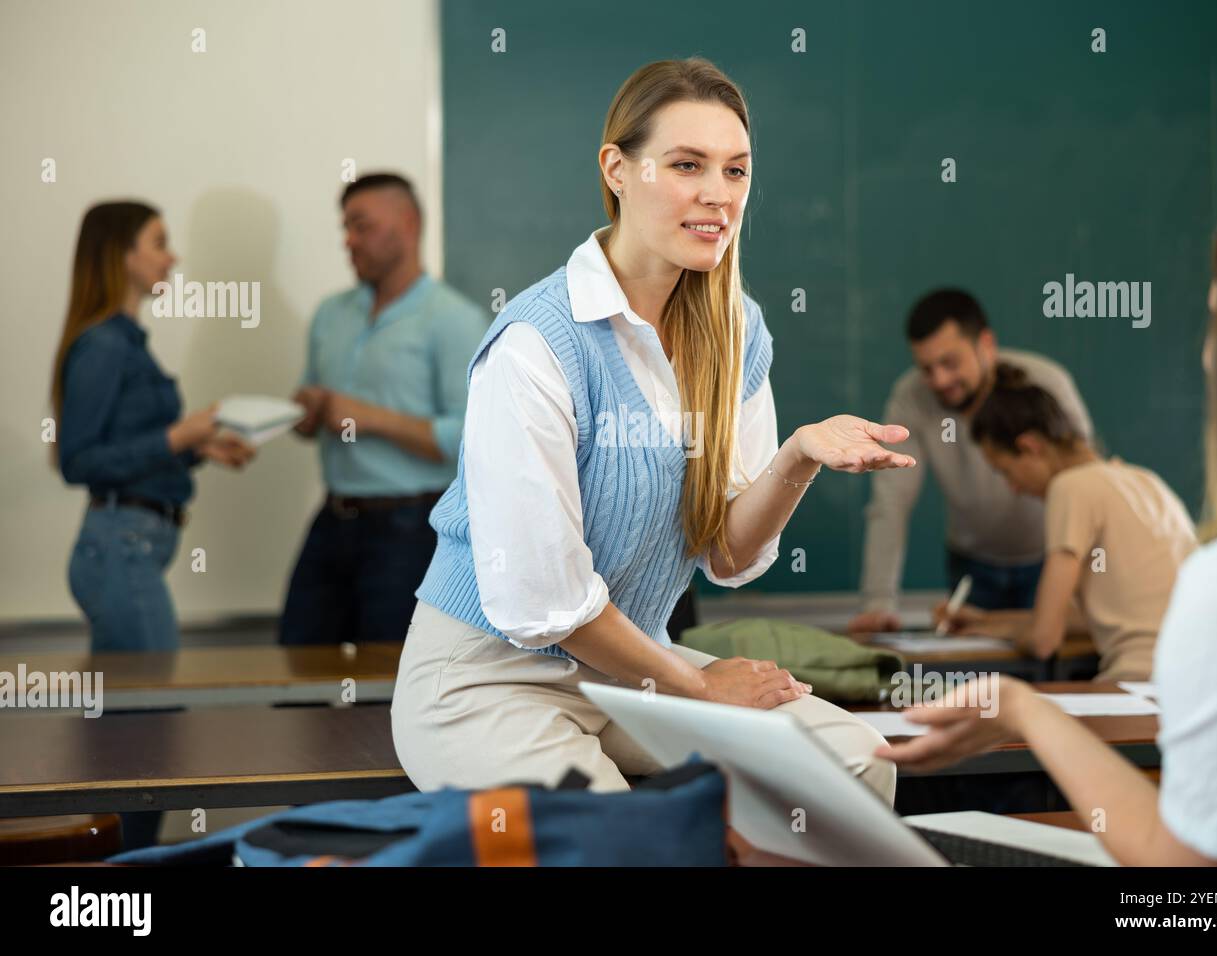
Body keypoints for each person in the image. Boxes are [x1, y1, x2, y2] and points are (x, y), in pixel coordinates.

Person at [392, 57, 914, 799]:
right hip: (486, 680)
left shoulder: (736, 330)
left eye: (736, 171)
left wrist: (798, 455)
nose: (717, 195)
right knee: (619, 836)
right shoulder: (536, 345)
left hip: (635, 674)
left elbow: (728, 552)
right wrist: (698, 691)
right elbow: (547, 606)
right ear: (617, 170)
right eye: (686, 165)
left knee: (857, 763)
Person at [881, 171, 1217, 866]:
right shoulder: (1140, 480)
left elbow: (1185, 878)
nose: (1204, 352)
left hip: (1137, 697)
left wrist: (1020, 708)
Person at [282, 173, 486, 645]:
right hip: (333, 518)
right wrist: (306, 412)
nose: (349, 242)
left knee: (389, 680)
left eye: (361, 226)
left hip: (411, 529)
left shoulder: (454, 320)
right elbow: (308, 407)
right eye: (345, 229)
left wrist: (367, 417)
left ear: (409, 224)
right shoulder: (329, 314)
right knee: (295, 662)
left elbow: (472, 441)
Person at [52, 201, 255, 653]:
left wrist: (198, 449)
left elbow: (129, 447)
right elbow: (78, 461)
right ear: (122, 255)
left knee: (132, 714)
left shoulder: (128, 343)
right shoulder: (104, 346)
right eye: (160, 244)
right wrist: (179, 435)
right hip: (118, 549)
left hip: (132, 549)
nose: (172, 258)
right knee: (153, 707)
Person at [934, 365, 1198, 682]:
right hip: (1194, 679)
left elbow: (1045, 640)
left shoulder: (1070, 487)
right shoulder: (1146, 482)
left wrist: (1024, 634)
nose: (1013, 488)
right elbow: (1094, 619)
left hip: (1138, 681)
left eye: (1005, 470)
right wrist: (989, 623)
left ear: (1030, 446)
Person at [850, 289, 1092, 633]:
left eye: (950, 363)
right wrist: (878, 603)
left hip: (1053, 559)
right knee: (977, 678)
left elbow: (1086, 477)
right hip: (972, 568)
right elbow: (891, 504)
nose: (939, 380)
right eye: (926, 368)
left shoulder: (1047, 383)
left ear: (986, 344)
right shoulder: (911, 397)